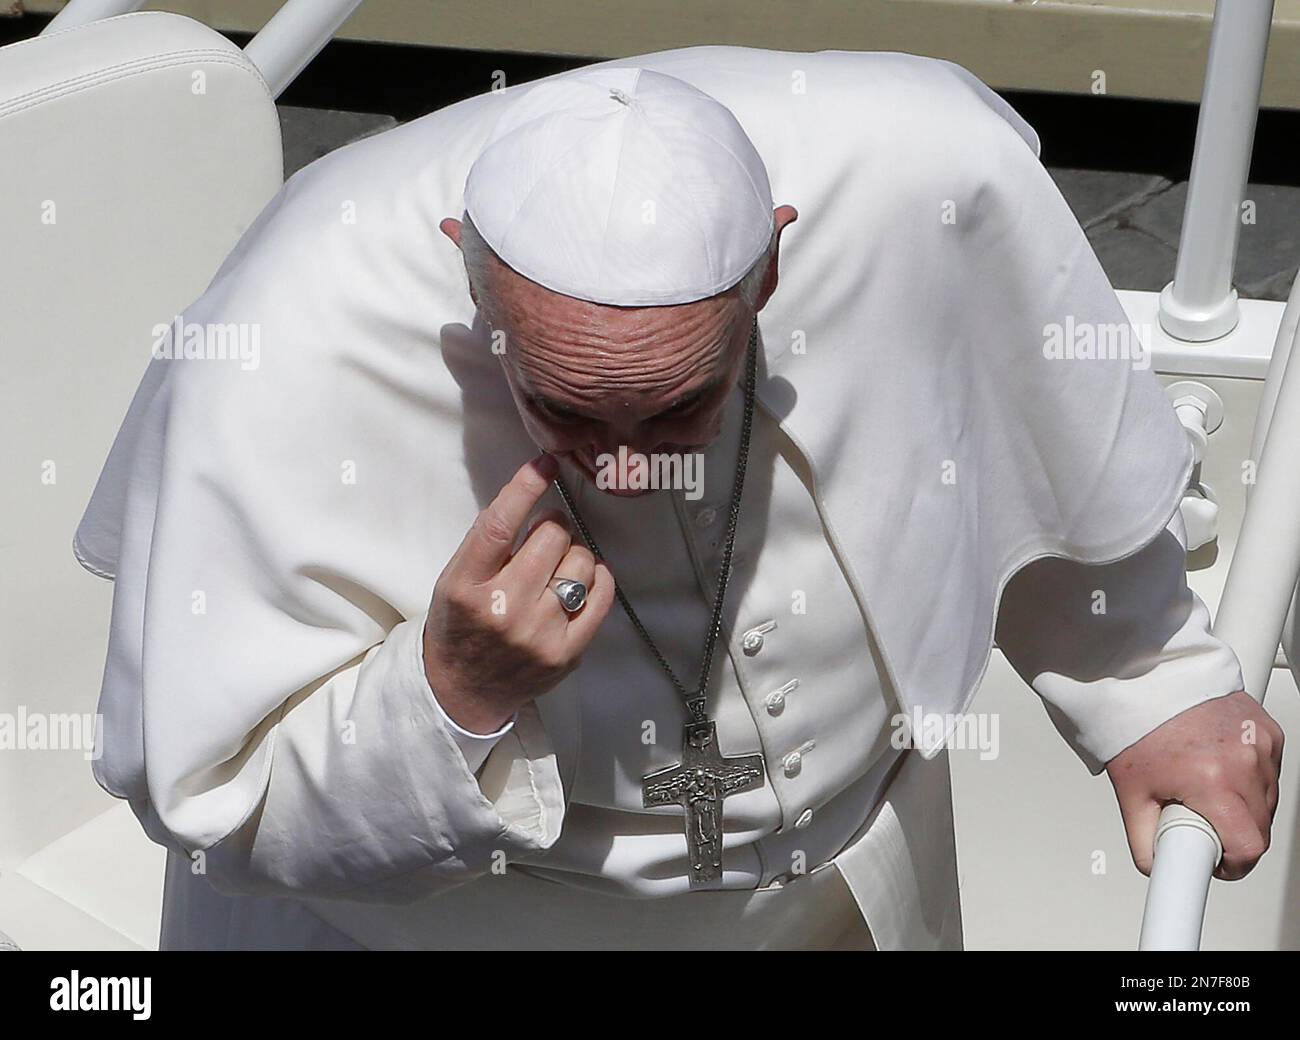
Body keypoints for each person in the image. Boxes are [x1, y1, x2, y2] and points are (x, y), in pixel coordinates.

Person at [74, 48, 1281, 950]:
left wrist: (1148, 684)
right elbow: (206, 799)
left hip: (850, 890)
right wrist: (450, 695)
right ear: (466, 265)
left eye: (672, 407)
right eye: (567, 408)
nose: (620, 461)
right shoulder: (286, 327)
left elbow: (1024, 430)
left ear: (770, 264)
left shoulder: (925, 172)